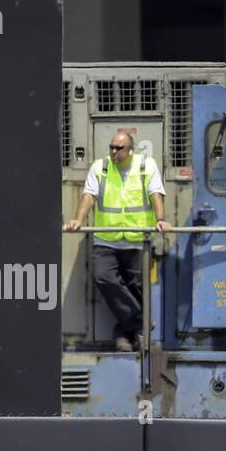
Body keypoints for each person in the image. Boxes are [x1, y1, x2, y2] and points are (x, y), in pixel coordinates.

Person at [64, 132, 171, 351]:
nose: (113, 152)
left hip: (137, 238)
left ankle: (123, 334)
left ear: (130, 150)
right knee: (103, 277)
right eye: (111, 147)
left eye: (118, 148)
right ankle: (141, 325)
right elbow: (89, 195)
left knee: (137, 288)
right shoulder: (100, 167)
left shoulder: (146, 166)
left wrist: (161, 220)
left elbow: (156, 194)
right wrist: (78, 219)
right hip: (107, 239)